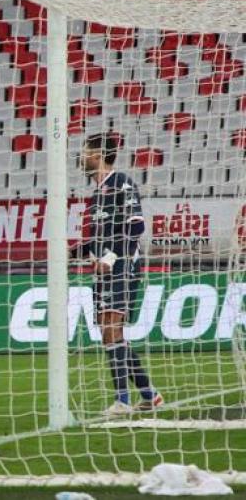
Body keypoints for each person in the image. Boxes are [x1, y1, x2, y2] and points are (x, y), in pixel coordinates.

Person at [75, 133, 161, 416]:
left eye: (85, 150)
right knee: (108, 333)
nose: (82, 155)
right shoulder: (96, 195)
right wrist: (78, 253)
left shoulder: (121, 182)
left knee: (112, 328)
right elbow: (96, 240)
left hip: (123, 266)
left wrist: (110, 259)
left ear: (98, 153)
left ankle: (123, 400)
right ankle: (149, 394)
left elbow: (136, 227)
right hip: (104, 270)